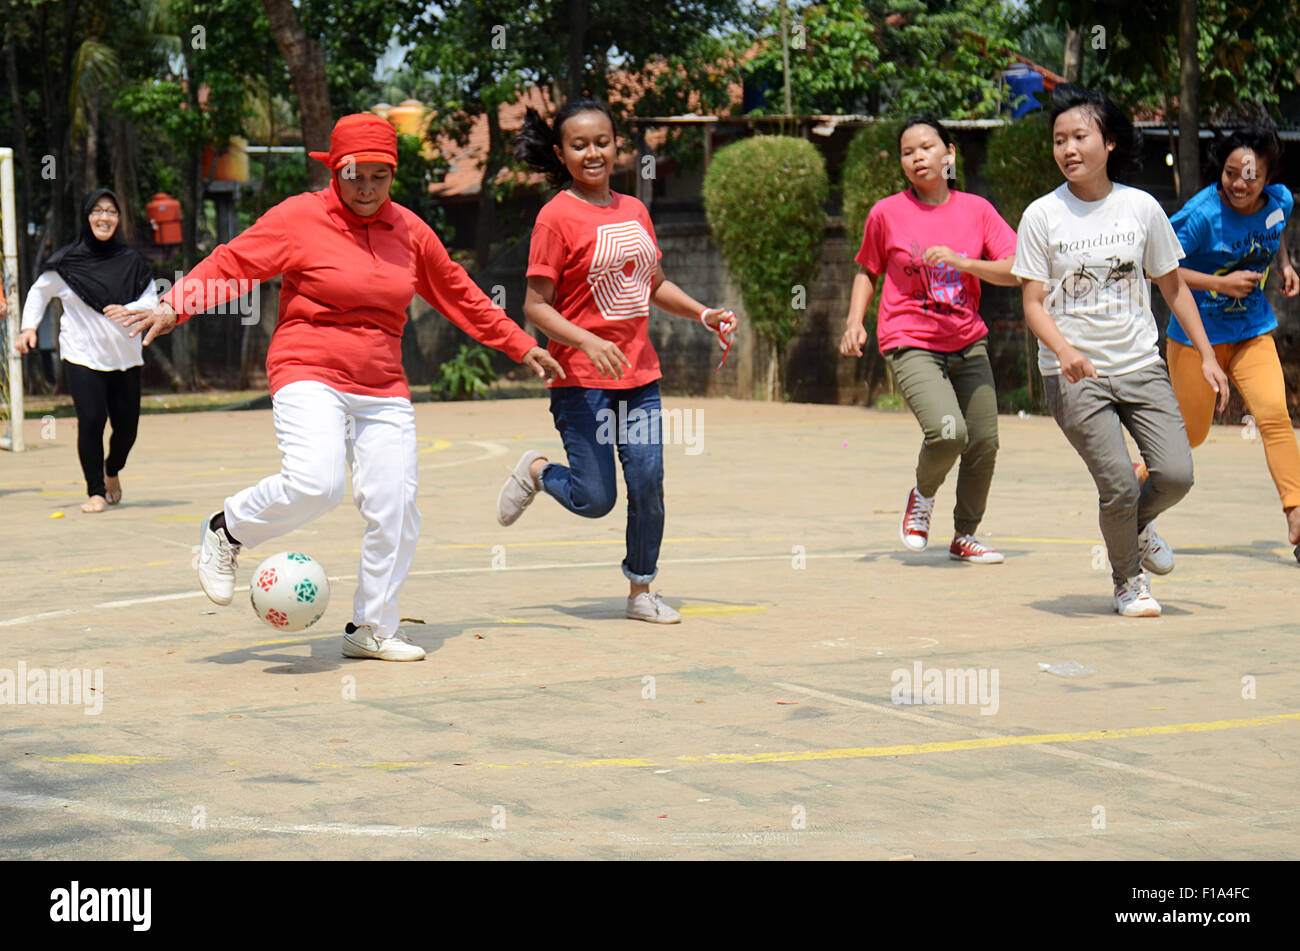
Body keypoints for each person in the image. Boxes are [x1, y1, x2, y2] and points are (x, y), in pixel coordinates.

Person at [117, 113, 563, 661]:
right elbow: (233, 263)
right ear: (335, 169)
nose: (368, 188)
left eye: (381, 176)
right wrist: (173, 304)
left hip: (381, 383)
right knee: (318, 482)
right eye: (356, 175)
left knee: (396, 505)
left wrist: (522, 344)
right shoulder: (301, 217)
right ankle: (225, 530)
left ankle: (371, 627)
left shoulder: (410, 231)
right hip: (308, 366)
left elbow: (461, 295)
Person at [496, 100, 737, 623]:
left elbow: (651, 286)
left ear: (616, 145)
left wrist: (704, 314)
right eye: (579, 145)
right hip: (580, 381)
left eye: (602, 141)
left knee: (648, 481)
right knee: (595, 497)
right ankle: (538, 471)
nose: (592, 153)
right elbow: (535, 305)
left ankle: (641, 589)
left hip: (639, 376)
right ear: (561, 153)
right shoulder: (555, 217)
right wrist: (585, 341)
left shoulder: (634, 210)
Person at [1013, 85, 1230, 618]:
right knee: (1117, 484)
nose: (1067, 148)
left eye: (1079, 136)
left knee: (1177, 474)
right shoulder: (1042, 216)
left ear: (1108, 141)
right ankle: (1128, 581)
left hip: (1140, 366)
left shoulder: (1141, 208)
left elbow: (1174, 287)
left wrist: (1205, 356)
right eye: (1058, 139)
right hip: (1075, 376)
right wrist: (1063, 350)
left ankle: (1136, 523)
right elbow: (1034, 303)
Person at [840, 117, 1020, 563]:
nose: (917, 157)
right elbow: (868, 269)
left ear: (949, 153)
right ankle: (922, 496)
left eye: (926, 147)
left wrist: (965, 263)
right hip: (910, 338)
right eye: (907, 152)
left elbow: (1017, 268)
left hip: (967, 339)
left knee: (984, 441)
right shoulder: (886, 213)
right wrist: (853, 322)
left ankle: (964, 535)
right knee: (948, 432)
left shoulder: (977, 210)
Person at [1166, 125, 1300, 548]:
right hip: (1195, 340)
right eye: (1230, 174)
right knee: (1191, 436)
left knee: (1275, 417)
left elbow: (1273, 230)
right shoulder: (1201, 215)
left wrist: (1284, 264)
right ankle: (1139, 478)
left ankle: (1297, 518)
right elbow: (1162, 269)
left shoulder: (1281, 201)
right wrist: (1218, 284)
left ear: (1267, 178)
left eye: (1251, 176)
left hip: (1251, 331)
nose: (1239, 184)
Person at [16, 189, 157, 512]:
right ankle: (95, 491)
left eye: (111, 212)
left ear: (118, 219)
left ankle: (112, 470)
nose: (104, 218)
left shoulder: (132, 261)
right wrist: (28, 328)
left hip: (126, 357)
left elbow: (151, 299)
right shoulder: (66, 263)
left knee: (127, 429)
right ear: (85, 216)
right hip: (82, 356)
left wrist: (130, 308)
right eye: (97, 211)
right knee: (91, 420)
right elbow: (39, 294)